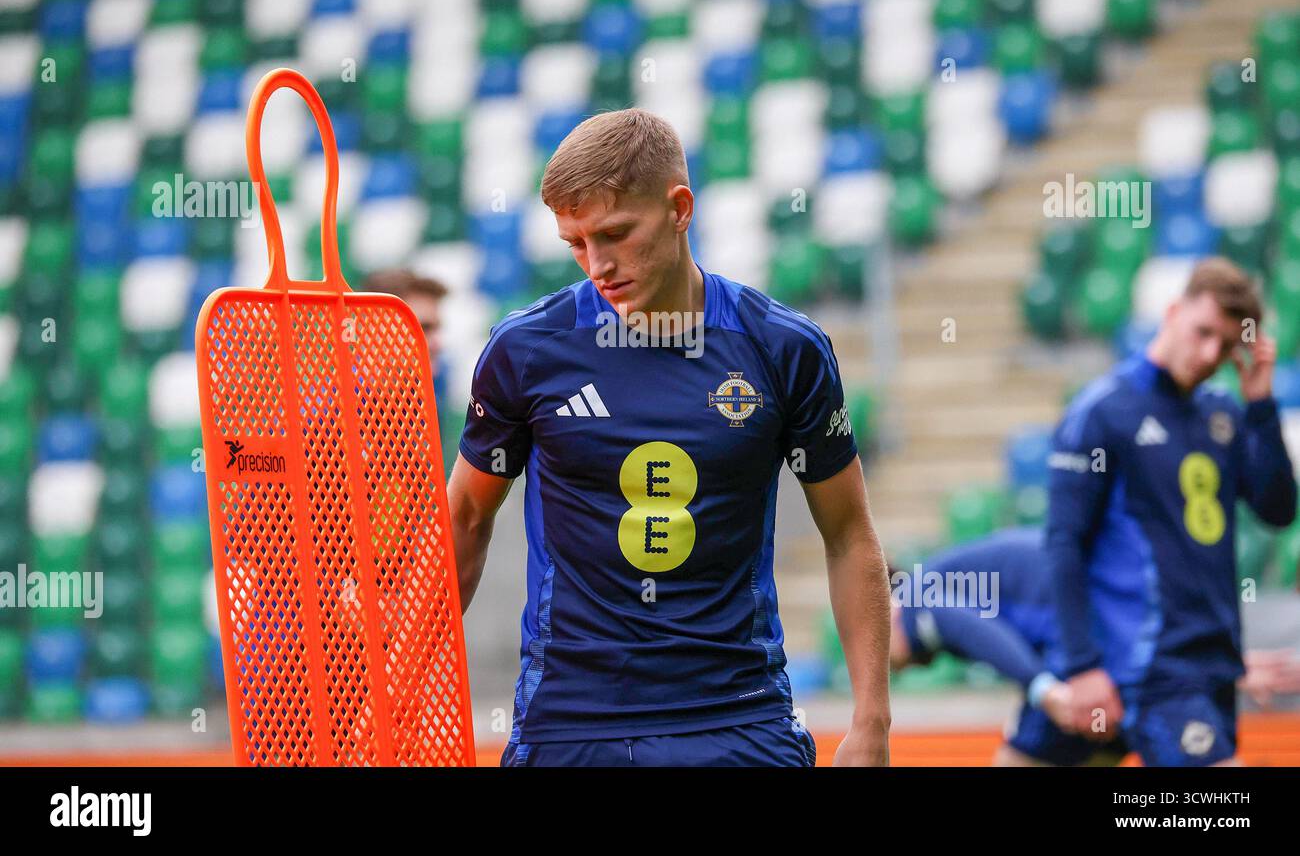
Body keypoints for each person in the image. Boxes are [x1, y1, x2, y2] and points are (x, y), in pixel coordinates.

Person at [447, 109, 892, 766]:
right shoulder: (527, 350)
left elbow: (849, 534)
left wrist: (872, 720)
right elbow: (465, 515)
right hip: (570, 722)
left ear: (680, 207)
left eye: (615, 234)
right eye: (575, 243)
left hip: (739, 717)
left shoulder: (782, 349)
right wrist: (400, 675)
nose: (596, 264)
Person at [1045, 257, 1298, 766]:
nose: (1209, 353)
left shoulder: (1222, 413)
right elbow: (1064, 543)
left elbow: (1277, 509)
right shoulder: (1104, 411)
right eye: (1202, 331)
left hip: (1215, 667)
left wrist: (1261, 403)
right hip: (1150, 666)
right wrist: (1082, 666)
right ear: (1173, 312)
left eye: (1226, 345)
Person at [889, 526, 1300, 766]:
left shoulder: (915, 595)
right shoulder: (948, 578)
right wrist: (1213, 660)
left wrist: (1042, 690)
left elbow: (976, 631)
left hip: (1083, 658)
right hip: (1103, 649)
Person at [362, 268, 448, 380]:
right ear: (373, 329)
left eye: (436, 329)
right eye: (423, 328)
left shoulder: (426, 394)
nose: (438, 345)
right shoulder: (337, 395)